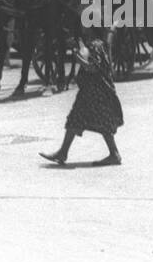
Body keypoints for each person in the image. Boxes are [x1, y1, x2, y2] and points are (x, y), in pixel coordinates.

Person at [39, 31, 123, 167]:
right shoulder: (96, 44)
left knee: (77, 118)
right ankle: (65, 152)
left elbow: (93, 67)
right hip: (93, 90)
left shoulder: (96, 45)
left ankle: (64, 152)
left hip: (95, 91)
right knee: (86, 120)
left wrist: (77, 57)